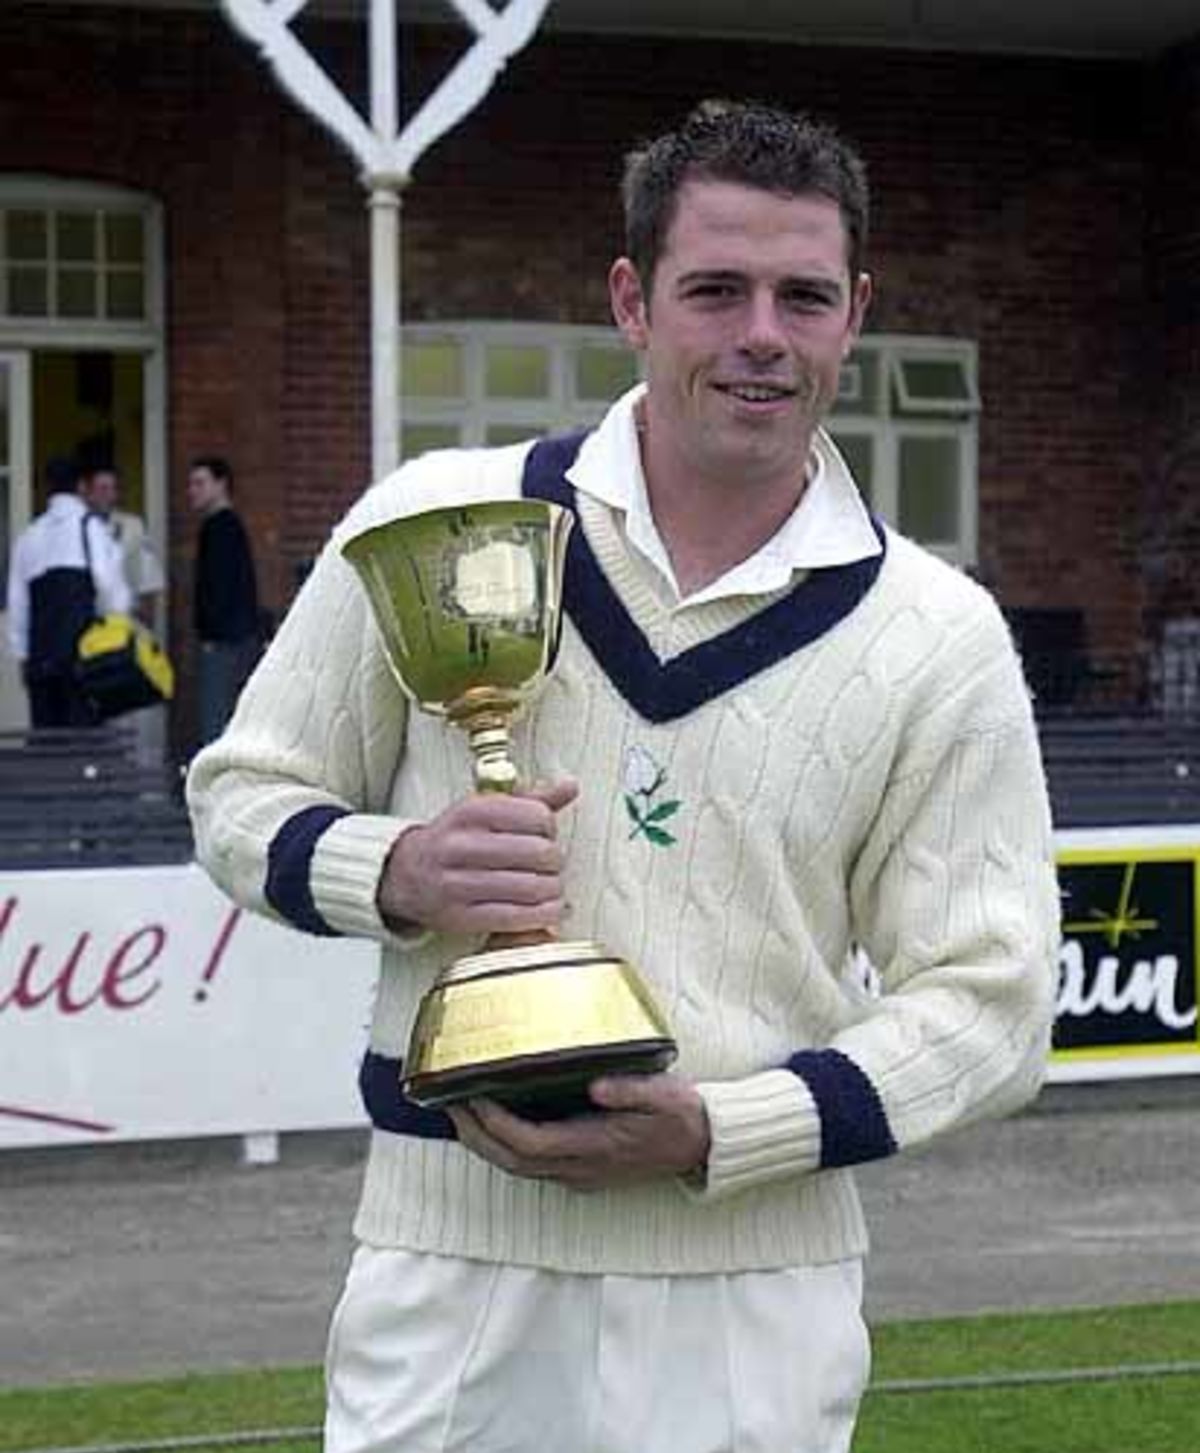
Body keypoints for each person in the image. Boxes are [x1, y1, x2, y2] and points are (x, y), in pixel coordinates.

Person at [187, 100, 1060, 1453]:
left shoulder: (938, 635)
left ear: (854, 312)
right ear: (630, 301)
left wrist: (727, 1130)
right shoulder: (439, 516)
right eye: (714, 289)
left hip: (755, 1291)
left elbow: (996, 1004)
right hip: (453, 1261)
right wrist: (397, 868)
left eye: (803, 296)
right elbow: (238, 797)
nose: (760, 333)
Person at [5, 456, 132, 729]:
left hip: (40, 658)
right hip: (85, 655)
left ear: (45, 489)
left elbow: (18, 605)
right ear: (81, 487)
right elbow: (112, 591)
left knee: (47, 741)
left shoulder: (29, 537)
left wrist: (22, 654)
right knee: (85, 741)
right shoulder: (90, 528)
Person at [186, 454, 260, 745]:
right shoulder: (226, 526)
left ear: (221, 484)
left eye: (200, 483)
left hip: (224, 643)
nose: (192, 490)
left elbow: (219, 589)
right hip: (234, 639)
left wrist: (210, 635)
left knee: (215, 721)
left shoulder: (220, 527)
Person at [81, 463, 166, 627]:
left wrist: (148, 629)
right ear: (88, 493)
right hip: (89, 623)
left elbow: (148, 581)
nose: (109, 495)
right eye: (103, 489)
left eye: (113, 489)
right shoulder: (77, 528)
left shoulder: (133, 526)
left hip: (125, 622)